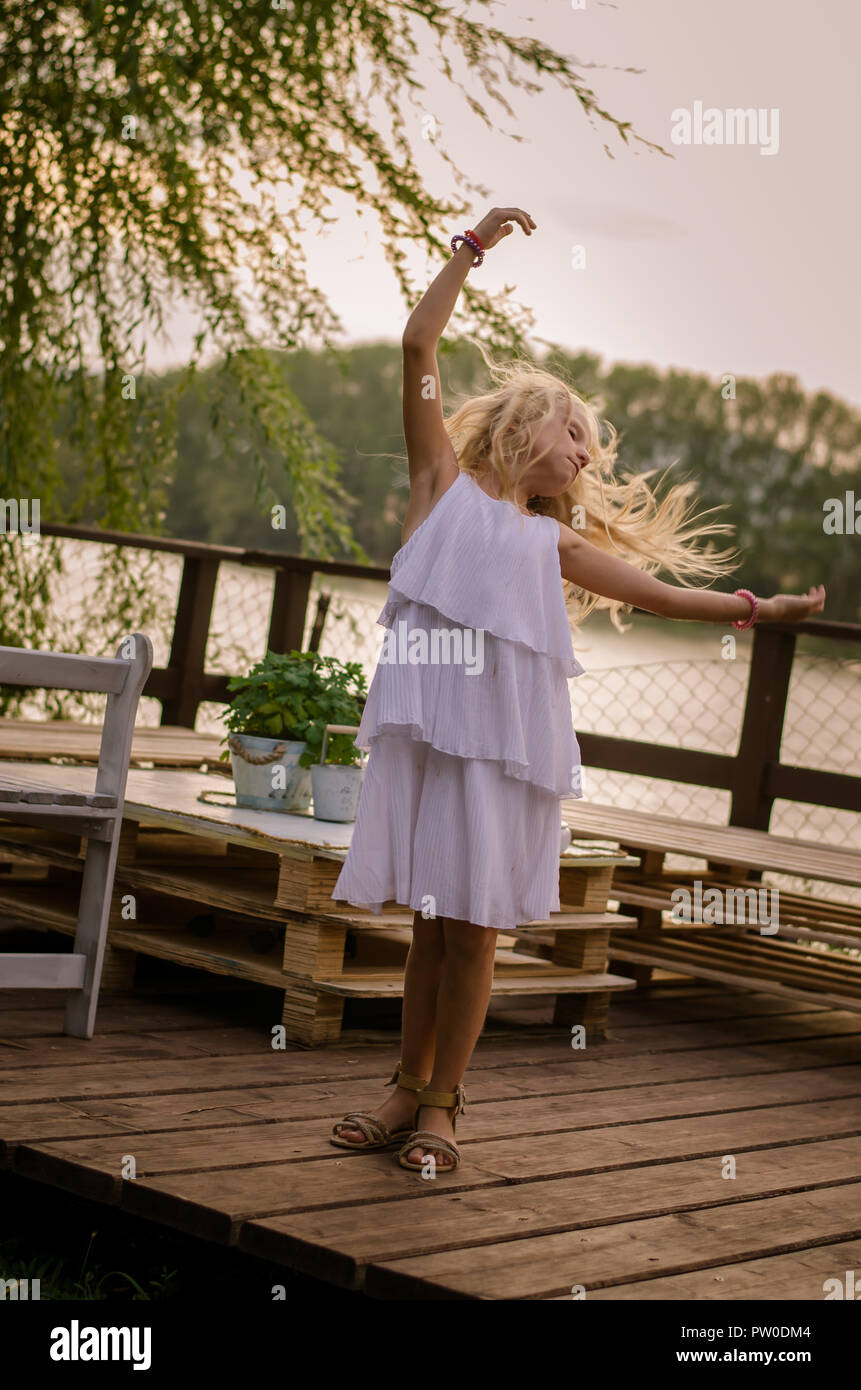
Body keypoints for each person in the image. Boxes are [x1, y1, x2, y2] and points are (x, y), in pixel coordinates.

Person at [329, 206, 826, 1174]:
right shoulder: (441, 487)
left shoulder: (554, 541)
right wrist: (470, 247)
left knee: (472, 933)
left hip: (504, 753)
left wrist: (758, 611)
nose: (588, 458)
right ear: (527, 427)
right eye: (578, 436)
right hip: (432, 741)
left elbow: (662, 595)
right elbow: (418, 341)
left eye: (590, 446)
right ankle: (403, 1086)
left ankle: (444, 1107)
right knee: (432, 925)